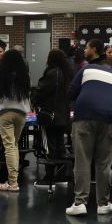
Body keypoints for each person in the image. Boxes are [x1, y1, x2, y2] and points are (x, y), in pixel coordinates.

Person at [66, 39, 112, 217]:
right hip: (111, 119)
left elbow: (70, 92)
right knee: (104, 163)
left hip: (85, 116)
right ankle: (103, 203)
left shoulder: (87, 70)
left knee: (83, 160)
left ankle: (80, 203)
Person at [32, 48, 73, 184]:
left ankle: (49, 177)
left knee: (49, 146)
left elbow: (41, 92)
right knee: (60, 145)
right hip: (63, 115)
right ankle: (62, 175)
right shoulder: (66, 73)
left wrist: (34, 99)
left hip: (50, 115)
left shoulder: (51, 73)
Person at [0, 48, 31, 192]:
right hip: (21, 114)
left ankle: (13, 183)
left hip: (5, 113)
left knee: (9, 147)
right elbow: (28, 94)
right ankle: (13, 180)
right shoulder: (25, 76)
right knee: (14, 145)